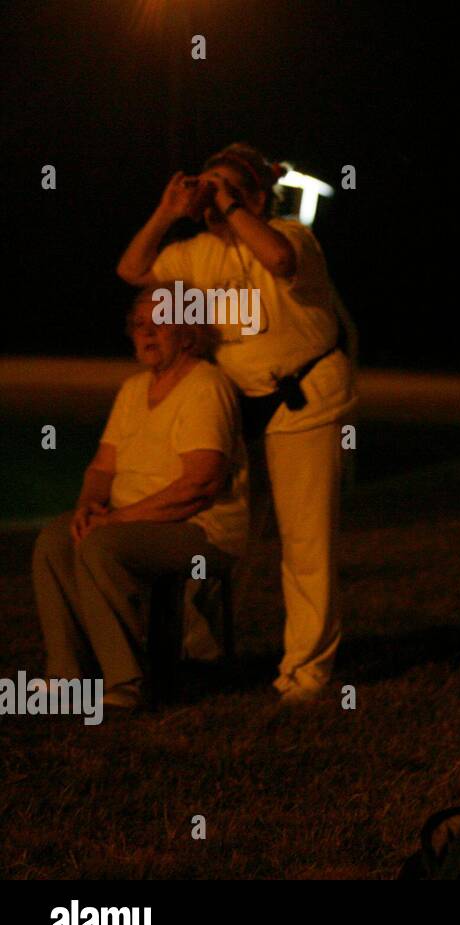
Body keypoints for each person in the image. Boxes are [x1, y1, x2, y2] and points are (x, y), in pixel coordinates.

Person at [116, 142, 356, 704]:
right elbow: (131, 270)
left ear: (255, 197)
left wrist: (230, 205)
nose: (214, 198)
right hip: (238, 401)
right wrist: (168, 211)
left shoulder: (292, 237)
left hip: (306, 395)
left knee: (305, 543)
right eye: (210, 186)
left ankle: (306, 673)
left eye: (229, 187)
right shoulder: (195, 252)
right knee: (213, 529)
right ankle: (197, 652)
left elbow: (278, 261)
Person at [32, 290, 248, 711]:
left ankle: (127, 683)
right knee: (54, 542)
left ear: (188, 334)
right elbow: (101, 468)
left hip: (202, 527)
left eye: (159, 322)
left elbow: (200, 487)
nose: (146, 333)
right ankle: (68, 676)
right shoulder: (133, 389)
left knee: (101, 545)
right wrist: (88, 507)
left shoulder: (206, 386)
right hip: (135, 518)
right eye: (139, 324)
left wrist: (115, 521)